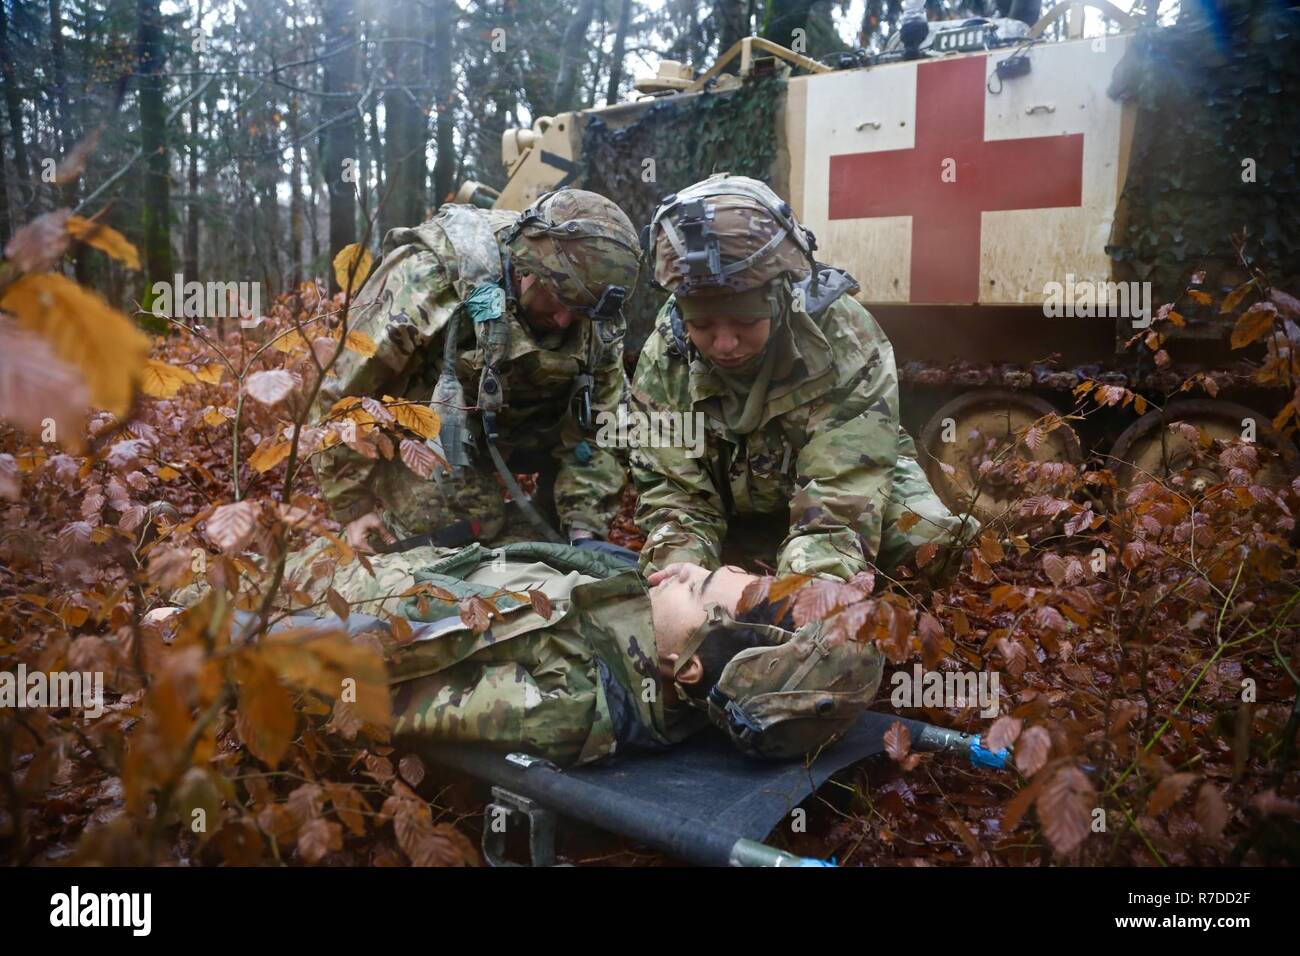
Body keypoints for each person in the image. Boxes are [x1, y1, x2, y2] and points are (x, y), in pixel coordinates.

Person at [629, 173, 978, 583]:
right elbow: (674, 491)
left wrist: (808, 591)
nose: (724, 343)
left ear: (780, 297)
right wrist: (683, 574)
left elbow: (844, 487)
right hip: (729, 504)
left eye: (744, 320)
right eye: (702, 324)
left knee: (929, 540)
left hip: (844, 487)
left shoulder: (843, 338)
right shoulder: (665, 354)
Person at [274, 540, 884, 766]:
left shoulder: (568, 701)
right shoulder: (635, 617)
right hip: (361, 570)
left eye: (697, 588)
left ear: (688, 667)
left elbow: (380, 691)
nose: (683, 570)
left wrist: (208, 632)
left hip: (296, 616)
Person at [313, 188, 640, 555]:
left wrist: (585, 530)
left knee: (558, 540)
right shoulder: (433, 277)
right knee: (458, 528)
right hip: (431, 427)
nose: (564, 319)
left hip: (524, 428)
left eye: (579, 311)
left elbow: (601, 424)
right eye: (557, 298)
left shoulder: (597, 311)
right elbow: (342, 390)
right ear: (525, 265)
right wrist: (352, 507)